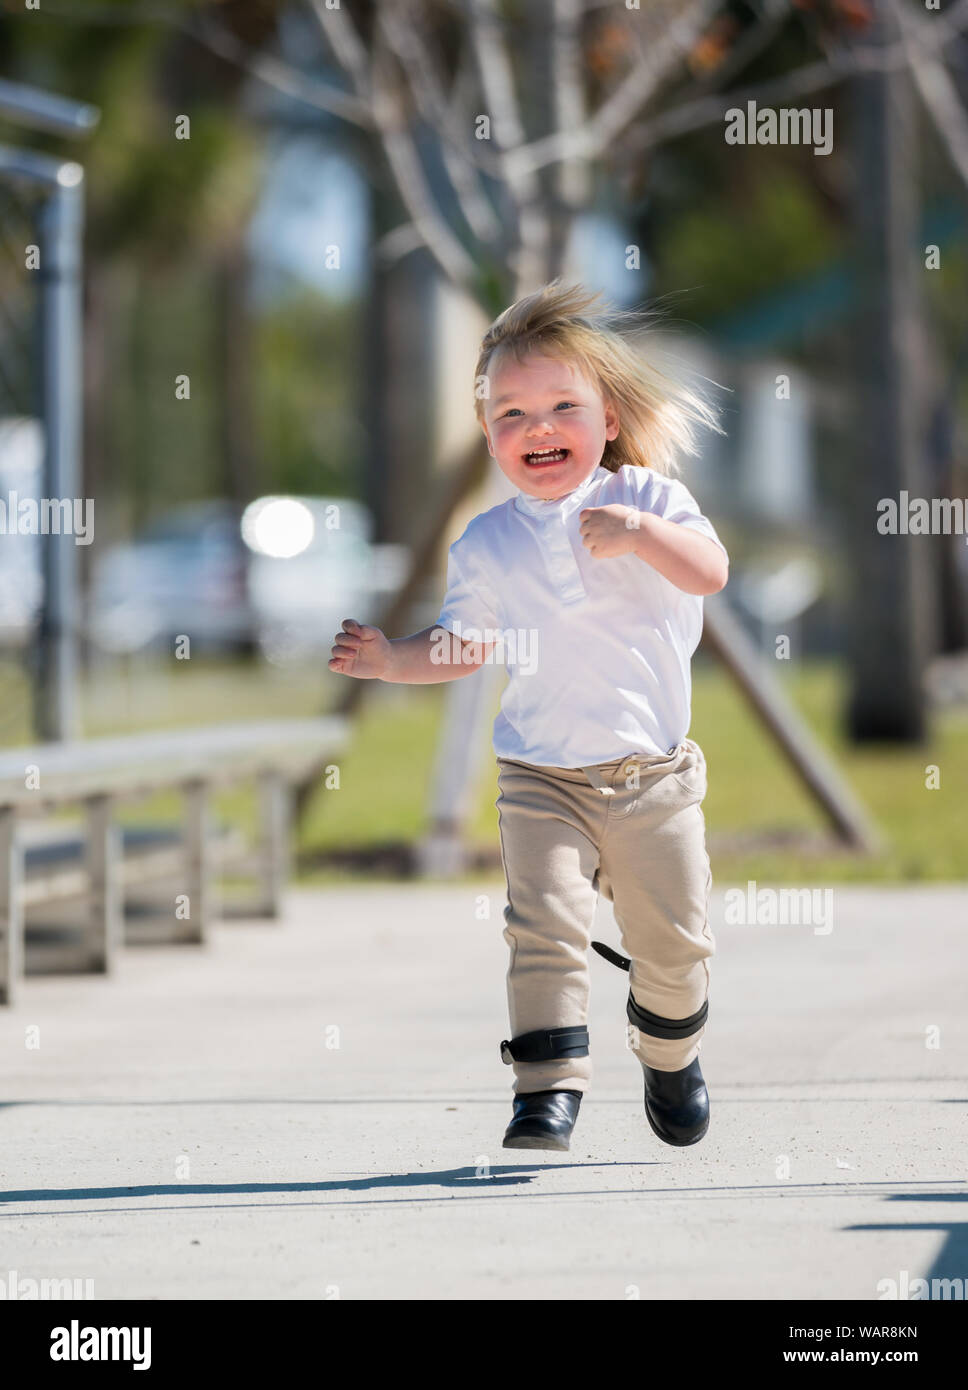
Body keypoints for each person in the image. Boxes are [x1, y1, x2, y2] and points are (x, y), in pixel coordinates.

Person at [329, 280, 729, 1154]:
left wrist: (641, 535)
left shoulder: (653, 501)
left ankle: (671, 1054)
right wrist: (394, 657)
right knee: (540, 924)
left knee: (674, 946)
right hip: (541, 777)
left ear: (610, 419)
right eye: (511, 414)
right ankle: (546, 1088)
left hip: (651, 778)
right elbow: (464, 644)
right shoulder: (487, 543)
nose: (537, 428)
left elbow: (709, 574)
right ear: (487, 436)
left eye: (561, 407)